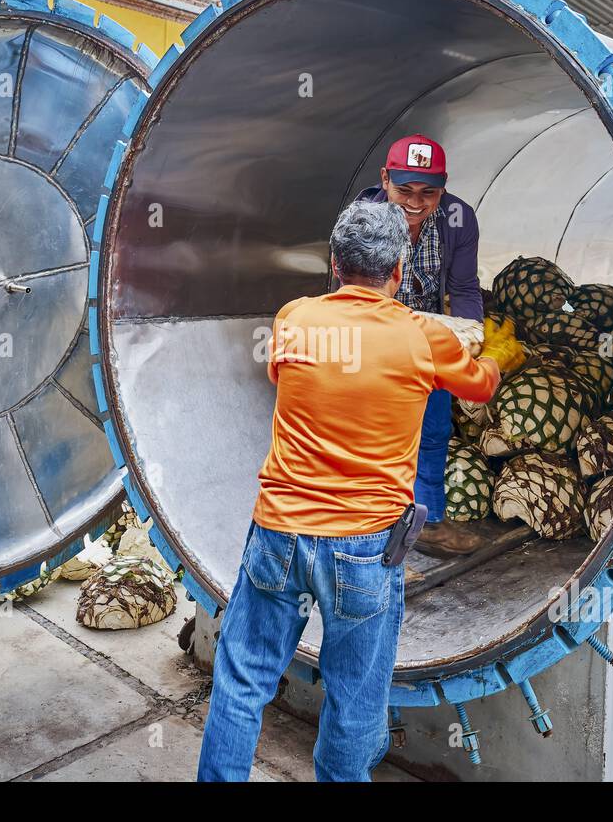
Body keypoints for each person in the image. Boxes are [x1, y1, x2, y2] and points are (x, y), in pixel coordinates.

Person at [196, 200, 520, 782]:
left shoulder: (293, 317)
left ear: (334, 263)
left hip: (279, 533)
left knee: (242, 681)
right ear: (400, 269)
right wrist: (496, 353)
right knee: (355, 700)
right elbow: (476, 390)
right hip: (363, 549)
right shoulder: (423, 337)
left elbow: (285, 375)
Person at [354, 134, 484, 554]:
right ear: (384, 178)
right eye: (404, 190)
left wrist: (471, 336)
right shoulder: (362, 218)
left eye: (428, 192)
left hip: (428, 336)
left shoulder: (458, 219)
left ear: (443, 189)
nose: (415, 202)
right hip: (373, 332)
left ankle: (426, 524)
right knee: (373, 431)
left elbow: (463, 286)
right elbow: (352, 290)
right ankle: (367, 528)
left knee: (432, 431)